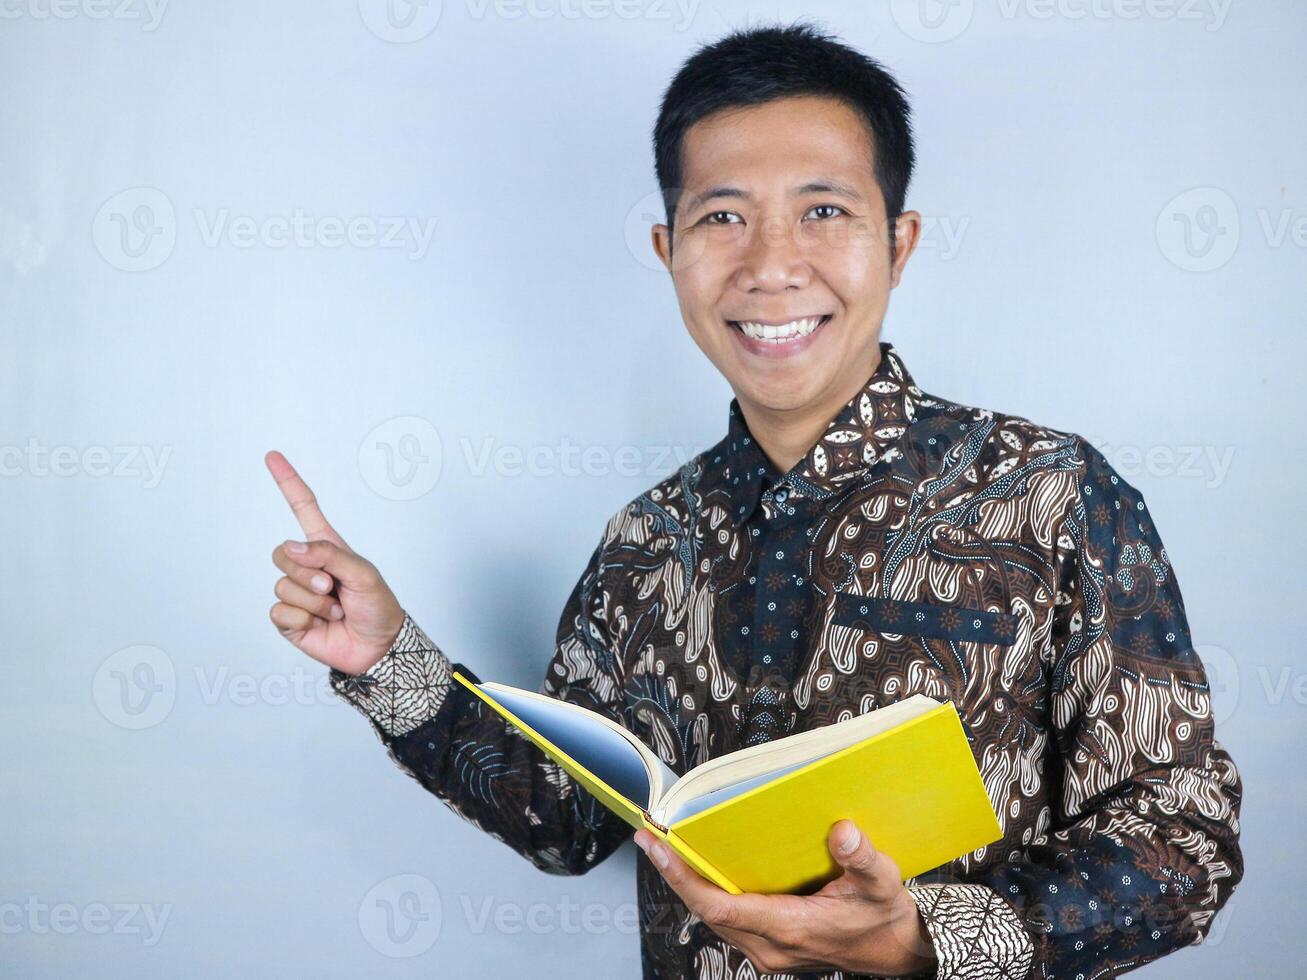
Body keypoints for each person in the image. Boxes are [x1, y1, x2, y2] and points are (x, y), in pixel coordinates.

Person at [265, 20, 1242, 979]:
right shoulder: (645, 540)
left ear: (895, 243)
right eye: (721, 214)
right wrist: (389, 660)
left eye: (822, 210)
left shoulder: (1050, 493)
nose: (771, 266)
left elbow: (1180, 844)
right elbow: (562, 824)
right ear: (667, 247)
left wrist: (922, 940)